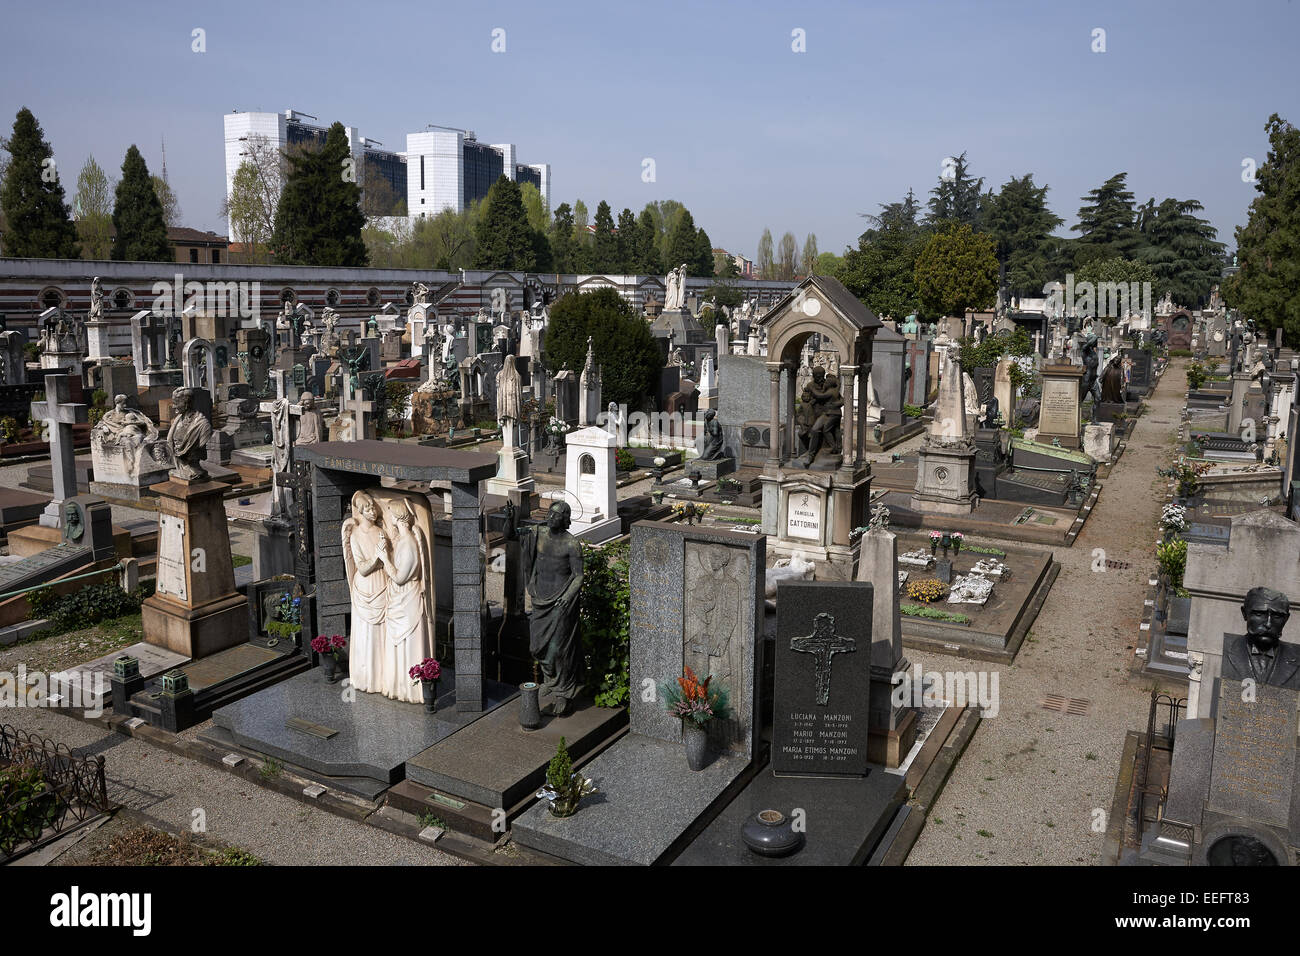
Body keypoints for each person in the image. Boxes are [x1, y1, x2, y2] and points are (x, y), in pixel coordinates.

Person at [514, 501, 585, 716]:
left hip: (561, 602)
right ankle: (549, 679)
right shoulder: (537, 533)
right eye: (550, 514)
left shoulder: (572, 544)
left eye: (556, 515)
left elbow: (579, 575)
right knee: (537, 646)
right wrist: (510, 520)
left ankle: (563, 691)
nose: (551, 518)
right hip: (540, 598)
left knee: (560, 649)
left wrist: (567, 596)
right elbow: (512, 535)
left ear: (565, 519)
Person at [342, 491, 389, 696]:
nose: (373, 511)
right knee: (367, 634)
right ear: (360, 511)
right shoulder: (355, 535)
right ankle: (365, 676)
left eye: (373, 507)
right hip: (366, 586)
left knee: (381, 635)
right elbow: (361, 568)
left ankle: (383, 678)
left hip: (382, 584)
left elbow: (389, 560)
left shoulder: (380, 531)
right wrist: (377, 558)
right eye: (368, 508)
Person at [1222, 587, 1297, 688]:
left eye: (1277, 616)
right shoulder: (1227, 648)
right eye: (1259, 614)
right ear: (1244, 613)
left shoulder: (1296, 657)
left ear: (1286, 619)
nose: (1268, 624)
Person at [797, 366, 842, 468]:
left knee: (817, 430)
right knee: (808, 432)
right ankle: (810, 454)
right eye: (817, 376)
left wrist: (835, 405)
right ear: (813, 376)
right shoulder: (810, 386)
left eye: (821, 376)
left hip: (827, 413)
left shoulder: (829, 384)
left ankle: (815, 454)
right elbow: (805, 400)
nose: (820, 378)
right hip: (814, 414)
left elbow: (841, 400)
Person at [167, 387, 211, 480]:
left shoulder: (202, 425)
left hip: (195, 469)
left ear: (186, 403)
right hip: (181, 467)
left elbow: (202, 443)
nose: (174, 406)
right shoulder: (177, 420)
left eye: (176, 403)